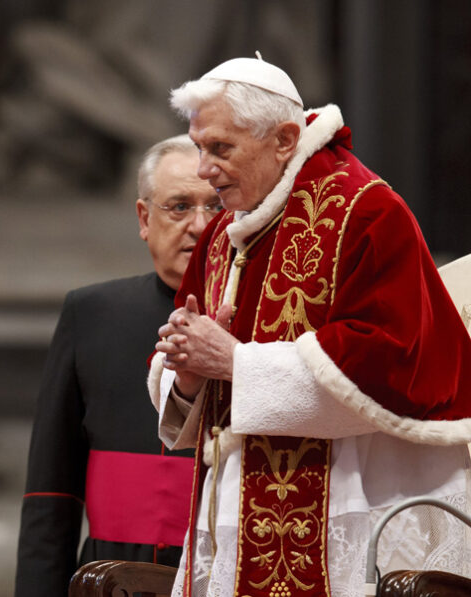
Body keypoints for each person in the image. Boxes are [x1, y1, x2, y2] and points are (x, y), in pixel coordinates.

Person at [150, 56, 471, 597]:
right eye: (199, 146)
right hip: (237, 505)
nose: (203, 168)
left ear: (283, 139)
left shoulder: (366, 211)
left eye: (220, 148)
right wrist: (186, 373)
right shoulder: (228, 229)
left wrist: (235, 363)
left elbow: (388, 361)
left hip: (356, 504)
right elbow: (188, 351)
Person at [15, 135, 220, 596]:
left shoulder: (267, 323)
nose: (200, 225)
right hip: (107, 581)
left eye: (217, 206)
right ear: (145, 219)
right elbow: (51, 496)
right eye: (179, 206)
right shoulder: (91, 314)